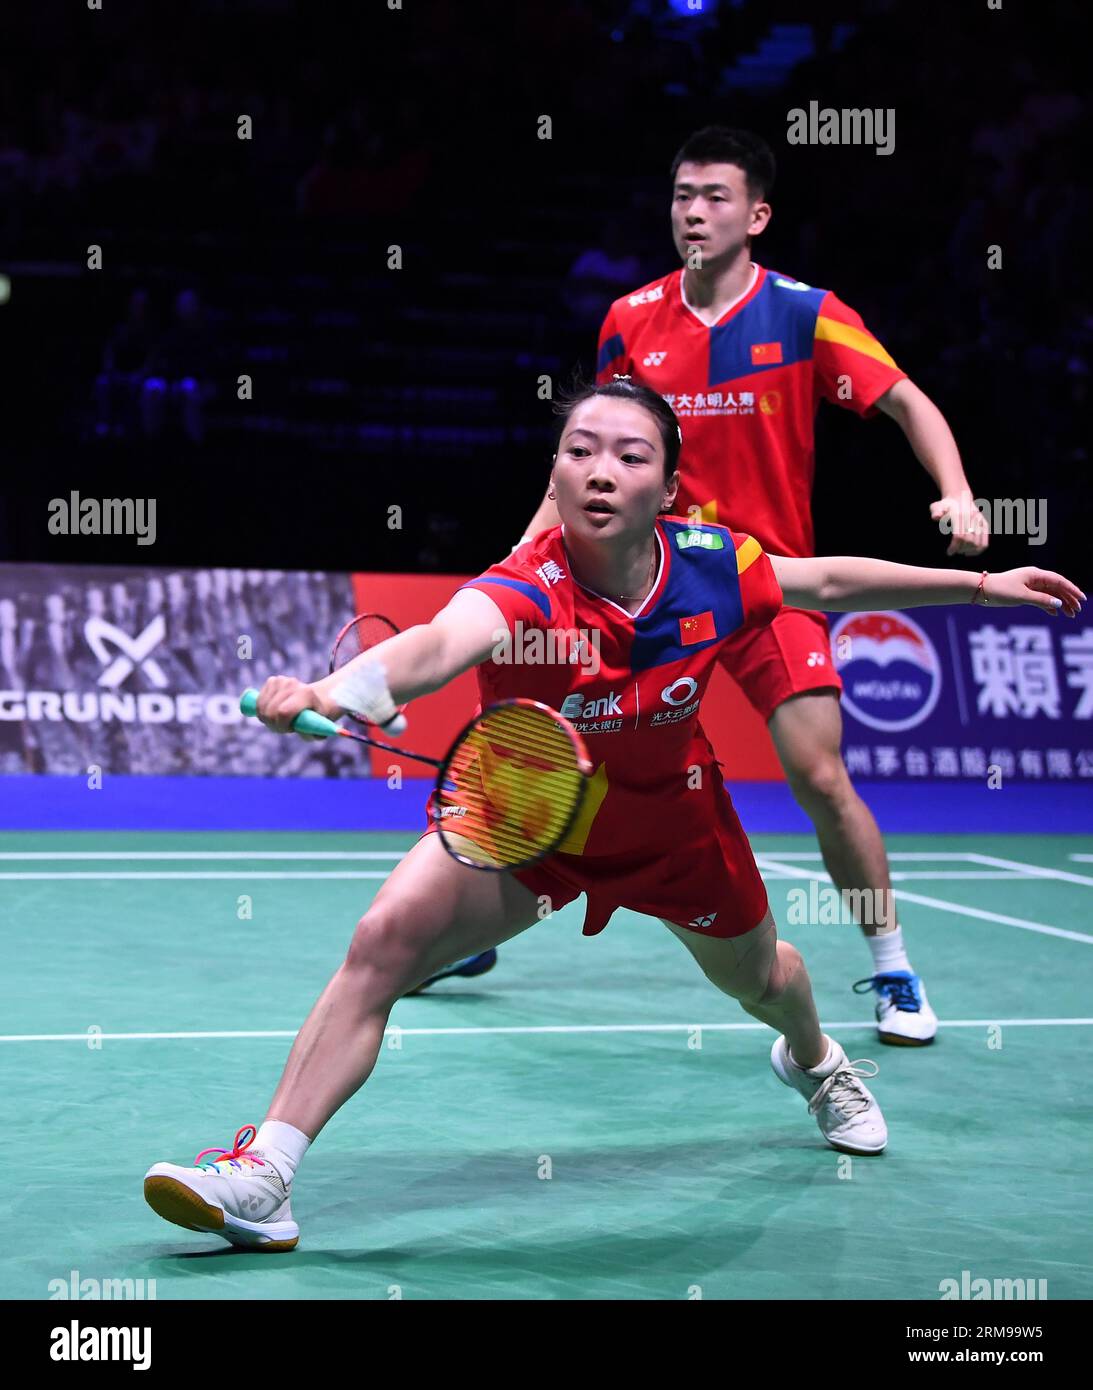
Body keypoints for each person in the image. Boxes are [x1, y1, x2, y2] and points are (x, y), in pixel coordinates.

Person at [143, 381, 1082, 1251]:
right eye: (579, 451)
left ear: (670, 487)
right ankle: (266, 1176)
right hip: (531, 819)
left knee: (765, 979)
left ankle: (815, 1061)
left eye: (630, 457)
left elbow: (823, 584)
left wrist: (978, 586)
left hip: (674, 831)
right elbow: (434, 646)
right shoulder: (524, 584)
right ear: (552, 475)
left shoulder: (715, 567)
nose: (599, 471)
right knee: (382, 942)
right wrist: (335, 690)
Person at [518, 127, 995, 1045]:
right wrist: (519, 564)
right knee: (553, 745)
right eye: (681, 195)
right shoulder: (630, 318)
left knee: (817, 774)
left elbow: (905, 398)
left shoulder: (806, 313)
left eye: (715, 196)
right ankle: (488, 907)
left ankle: (891, 966)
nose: (692, 211)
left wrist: (957, 493)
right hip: (650, 585)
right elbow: (585, 458)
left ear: (757, 215)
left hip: (769, 580)